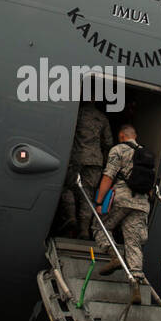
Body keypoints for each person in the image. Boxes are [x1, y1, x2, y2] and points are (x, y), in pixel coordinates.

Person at [93, 124, 151, 301]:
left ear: (121, 135)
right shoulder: (146, 154)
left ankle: (114, 256)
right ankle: (135, 282)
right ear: (135, 136)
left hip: (122, 199)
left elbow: (108, 176)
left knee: (100, 226)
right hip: (141, 203)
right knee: (133, 242)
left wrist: (99, 201)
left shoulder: (118, 150)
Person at [57, 100, 114, 239]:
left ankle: (70, 218)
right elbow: (108, 143)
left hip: (77, 158)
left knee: (67, 187)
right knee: (87, 194)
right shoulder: (102, 118)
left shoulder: (76, 114)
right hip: (95, 161)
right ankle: (84, 230)